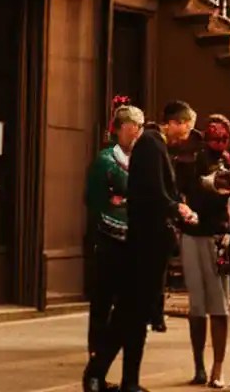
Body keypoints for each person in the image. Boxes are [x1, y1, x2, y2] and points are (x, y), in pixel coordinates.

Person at [84, 101, 198, 392]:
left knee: (135, 316)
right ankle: (97, 374)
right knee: (129, 313)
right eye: (187, 126)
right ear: (175, 122)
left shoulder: (152, 145)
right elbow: (151, 192)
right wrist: (179, 209)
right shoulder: (150, 144)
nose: (187, 133)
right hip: (144, 245)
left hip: (150, 244)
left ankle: (127, 380)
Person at [178, 115, 230, 388]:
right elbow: (184, 189)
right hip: (194, 233)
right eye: (214, 135)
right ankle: (199, 366)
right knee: (197, 306)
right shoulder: (190, 160)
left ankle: (217, 367)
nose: (218, 140)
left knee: (219, 305)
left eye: (223, 136)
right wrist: (205, 182)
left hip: (217, 234)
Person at [85, 105, 144, 356]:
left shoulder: (141, 158)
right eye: (135, 127)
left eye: (140, 127)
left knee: (126, 302)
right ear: (122, 128)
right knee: (103, 299)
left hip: (132, 237)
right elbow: (95, 198)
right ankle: (97, 352)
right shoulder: (107, 159)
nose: (138, 133)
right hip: (108, 237)